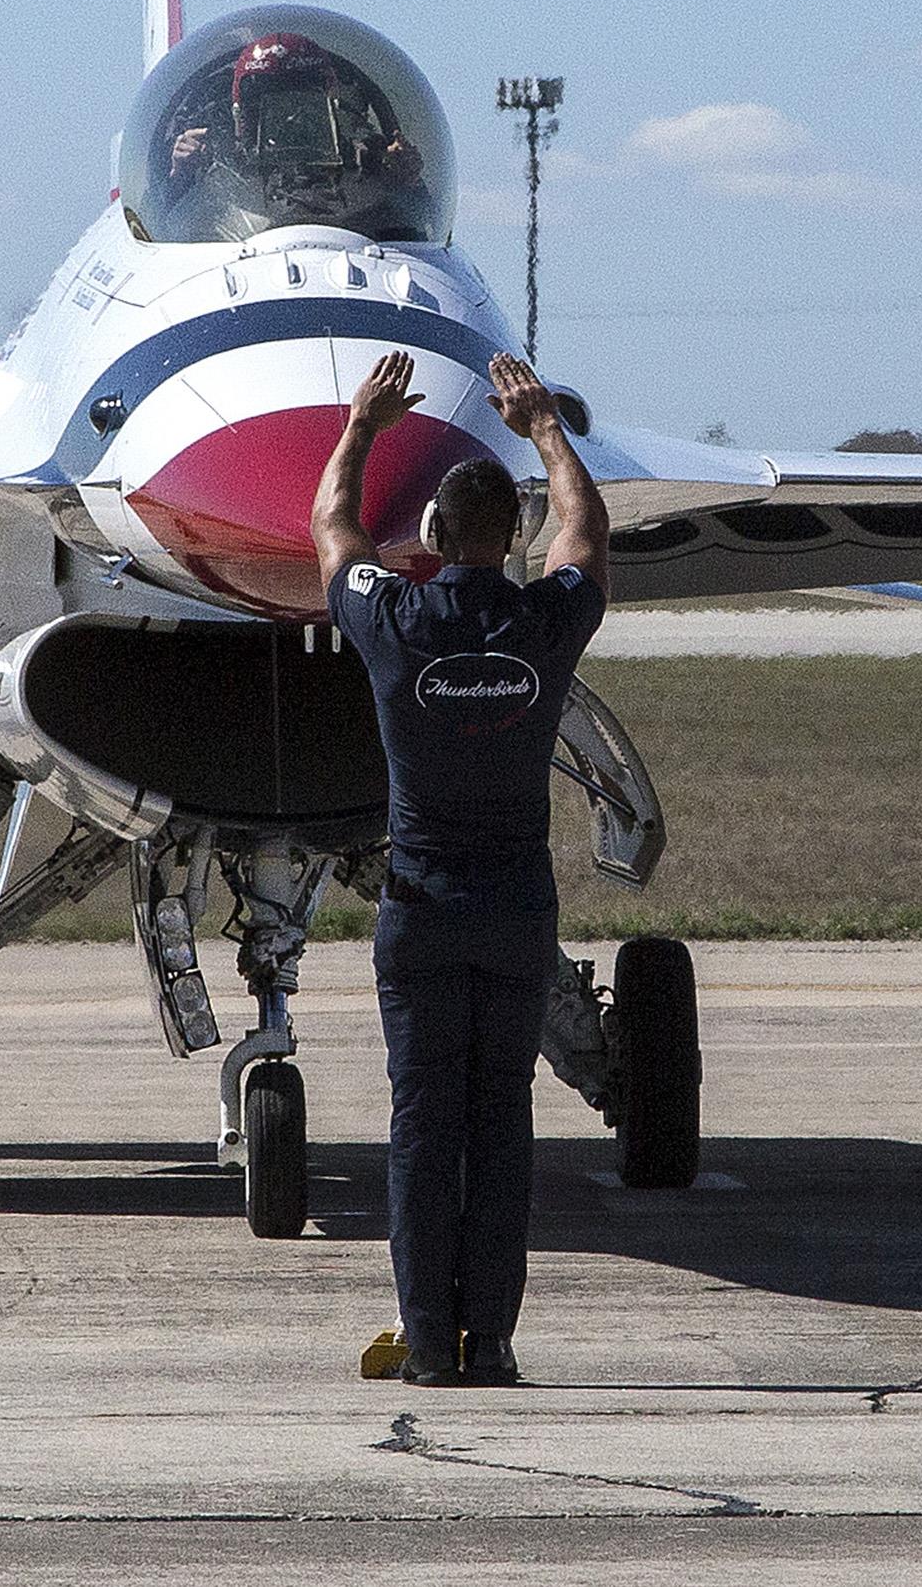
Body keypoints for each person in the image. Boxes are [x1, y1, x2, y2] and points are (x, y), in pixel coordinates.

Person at [312, 348, 611, 1389]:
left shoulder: (394, 622)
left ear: (430, 539)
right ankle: (496, 1341)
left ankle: (431, 1346)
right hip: (517, 913)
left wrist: (362, 426)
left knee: (422, 1128)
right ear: (513, 541)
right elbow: (585, 533)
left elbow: (333, 529)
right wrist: (543, 429)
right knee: (504, 1129)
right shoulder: (547, 620)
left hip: (421, 915)